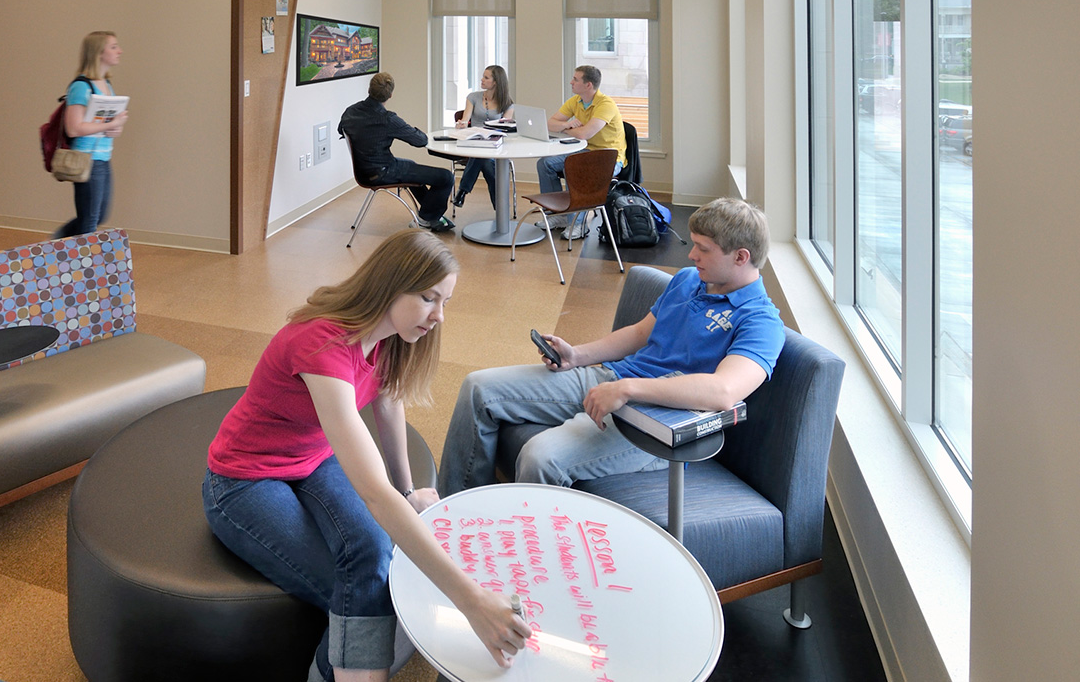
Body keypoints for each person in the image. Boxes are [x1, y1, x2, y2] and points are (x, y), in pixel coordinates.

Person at [203, 229, 529, 682]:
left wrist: (409, 489)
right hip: (243, 479)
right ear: (388, 285)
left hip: (313, 457)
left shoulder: (390, 334)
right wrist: (471, 599)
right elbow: (374, 495)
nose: (438, 316)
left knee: (373, 555)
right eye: (428, 298)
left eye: (445, 302)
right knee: (360, 586)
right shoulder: (321, 344)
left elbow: (388, 402)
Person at [437, 198, 785, 495]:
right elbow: (639, 334)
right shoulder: (689, 280)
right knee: (479, 387)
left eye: (704, 249)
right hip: (613, 379)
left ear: (741, 257)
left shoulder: (762, 323)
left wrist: (627, 389)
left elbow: (723, 392)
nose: (692, 255)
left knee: (541, 456)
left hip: (656, 421)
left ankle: (530, 558)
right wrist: (578, 356)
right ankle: (456, 510)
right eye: (694, 244)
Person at [340, 73, 456, 233]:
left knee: (411, 166)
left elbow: (341, 129)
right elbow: (420, 141)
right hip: (383, 172)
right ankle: (425, 219)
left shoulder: (350, 111)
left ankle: (430, 216)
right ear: (390, 95)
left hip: (363, 172)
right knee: (446, 177)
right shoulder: (387, 118)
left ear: (369, 89)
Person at [537, 65, 627, 240]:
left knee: (574, 167)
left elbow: (585, 134)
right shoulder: (576, 101)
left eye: (576, 79)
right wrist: (566, 125)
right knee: (545, 163)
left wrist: (565, 129)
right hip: (584, 151)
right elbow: (549, 123)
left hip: (608, 158)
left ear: (588, 85)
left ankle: (578, 224)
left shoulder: (605, 104)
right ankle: (557, 215)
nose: (571, 82)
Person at [55, 31, 128, 238]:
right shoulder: (81, 86)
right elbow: (74, 128)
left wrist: (115, 127)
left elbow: (106, 126)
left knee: (99, 215)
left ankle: (57, 242)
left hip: (103, 158)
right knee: (90, 220)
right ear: (98, 52)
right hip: (87, 158)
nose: (119, 51)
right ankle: (81, 264)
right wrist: (111, 124)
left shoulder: (106, 85)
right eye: (113, 47)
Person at [452, 65, 514, 210]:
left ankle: (462, 191)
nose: (482, 79)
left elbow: (506, 128)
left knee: (484, 159)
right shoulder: (473, 97)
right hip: (473, 141)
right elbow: (466, 119)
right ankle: (500, 208)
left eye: (486, 77)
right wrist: (461, 124)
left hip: (495, 145)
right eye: (483, 76)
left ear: (496, 82)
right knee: (483, 157)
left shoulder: (507, 103)